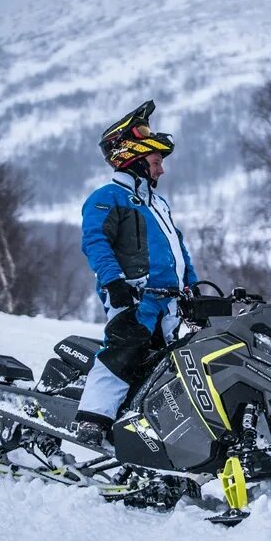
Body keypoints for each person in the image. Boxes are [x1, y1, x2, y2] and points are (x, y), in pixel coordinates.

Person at [75, 100, 197, 450]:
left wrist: (192, 287)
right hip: (135, 297)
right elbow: (96, 241)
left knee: (169, 365)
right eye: (157, 161)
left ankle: (153, 427)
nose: (162, 170)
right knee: (123, 352)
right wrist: (113, 281)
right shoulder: (109, 197)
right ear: (134, 158)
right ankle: (91, 420)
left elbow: (179, 249)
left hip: (170, 301)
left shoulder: (158, 203)